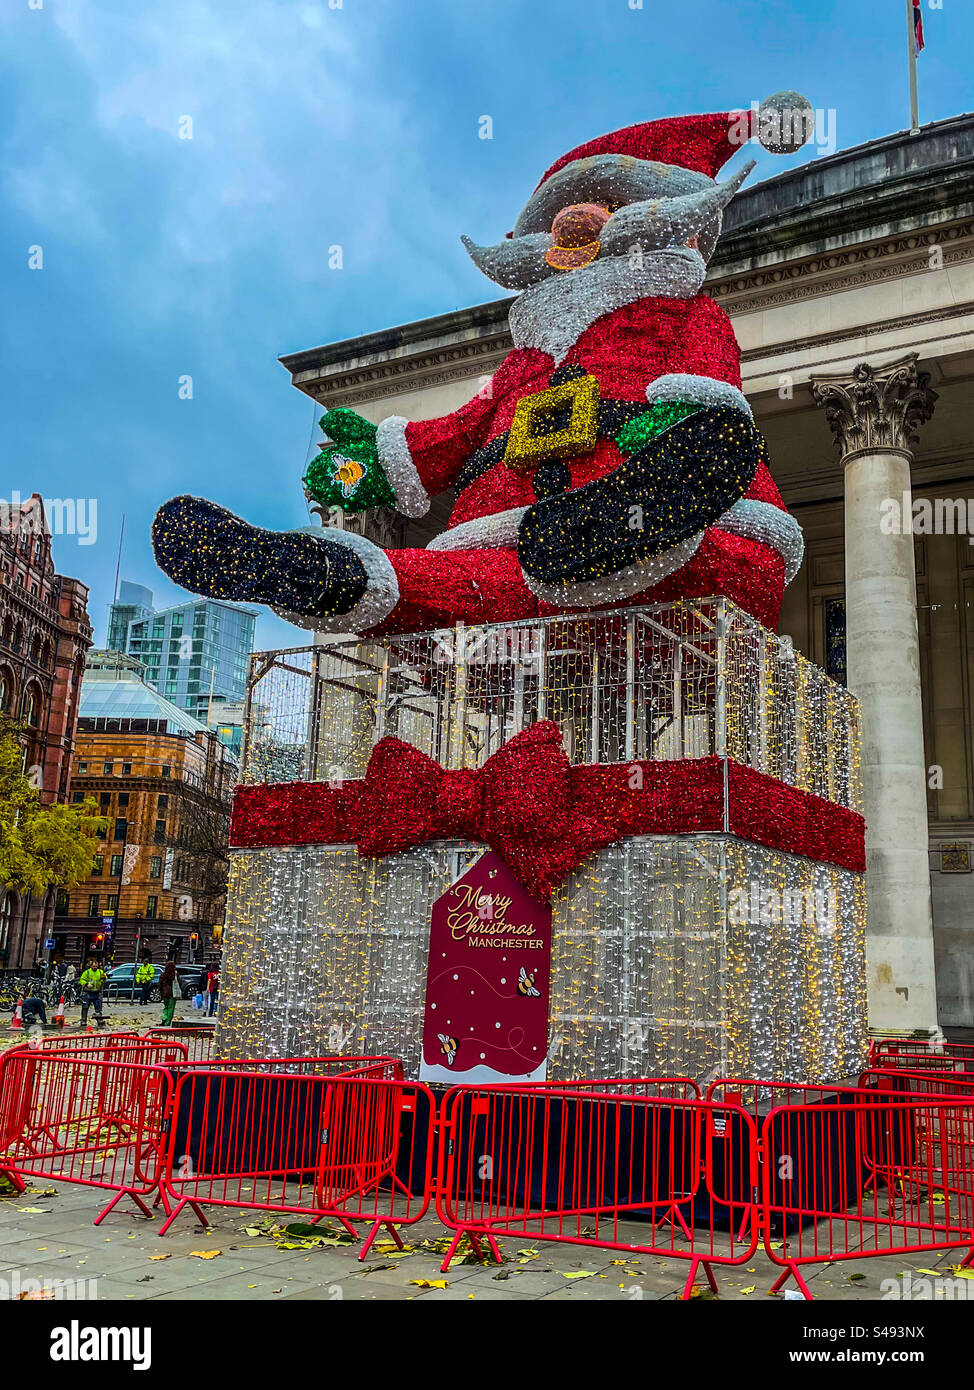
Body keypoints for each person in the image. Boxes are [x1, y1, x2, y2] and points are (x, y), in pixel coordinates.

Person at [79, 958, 107, 1029]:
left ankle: (99, 1020)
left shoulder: (100, 972)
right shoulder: (87, 972)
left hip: (97, 992)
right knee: (85, 1007)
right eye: (93, 966)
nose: (95, 967)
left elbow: (104, 980)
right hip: (87, 992)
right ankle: (83, 1020)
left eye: (96, 966)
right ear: (91, 966)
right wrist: (86, 984)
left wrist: (104, 978)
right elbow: (82, 979)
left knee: (98, 1007)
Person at [159, 961, 177, 1027]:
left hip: (165, 993)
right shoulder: (175, 975)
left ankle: (164, 1018)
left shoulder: (163, 975)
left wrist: (161, 992)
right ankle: (168, 1022)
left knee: (166, 1007)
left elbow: (160, 985)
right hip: (173, 994)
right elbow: (179, 983)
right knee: (171, 1008)